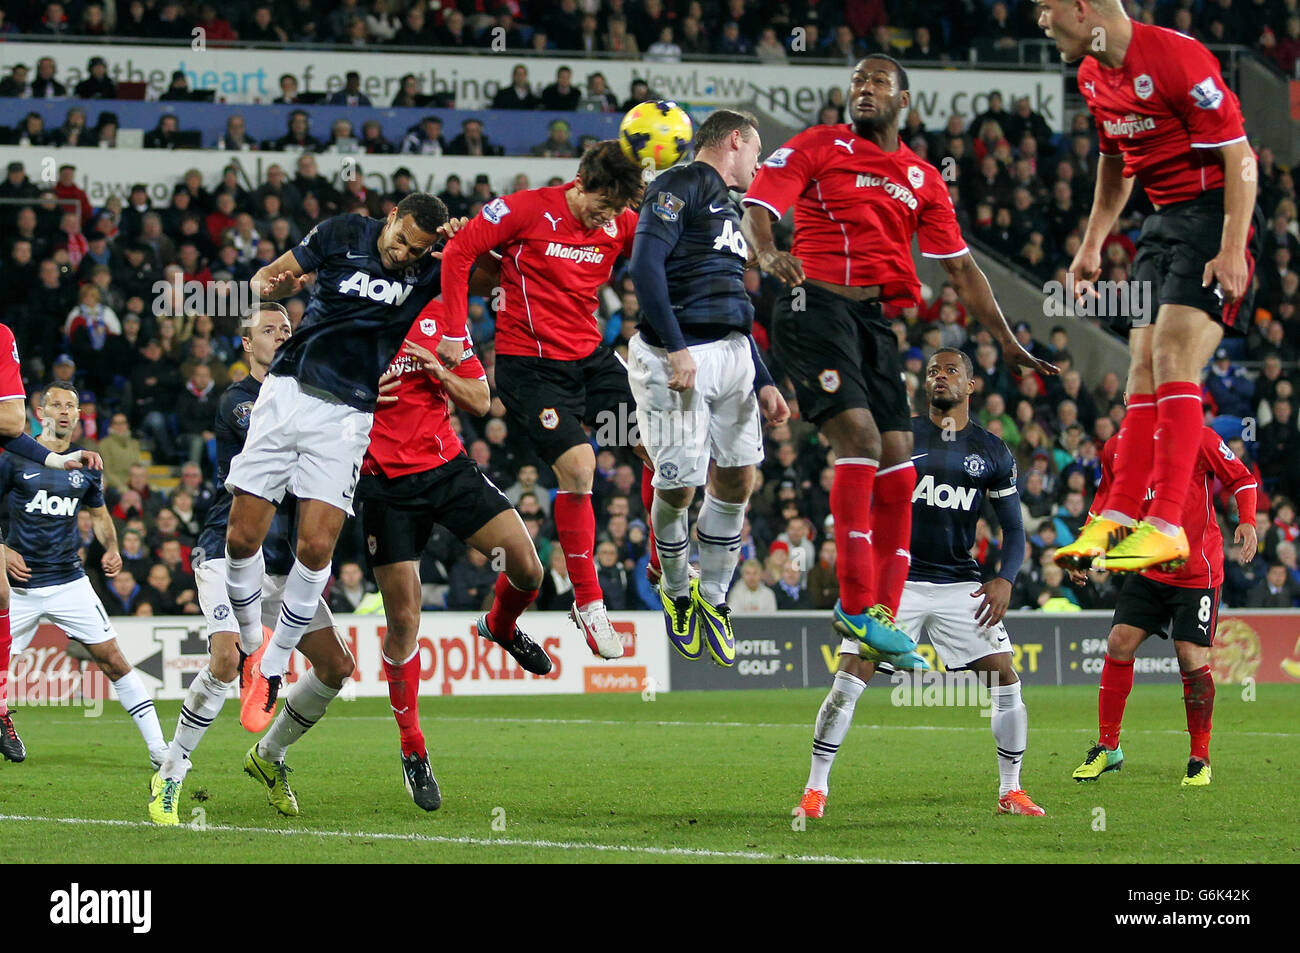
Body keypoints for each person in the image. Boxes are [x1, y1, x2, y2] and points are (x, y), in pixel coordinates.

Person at [741, 55, 1052, 664]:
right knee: (856, 438)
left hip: (873, 321)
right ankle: (854, 606)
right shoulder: (819, 145)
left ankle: (881, 614)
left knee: (899, 462)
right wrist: (768, 251)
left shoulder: (922, 178)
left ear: (903, 100)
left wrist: (1011, 343)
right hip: (813, 303)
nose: (865, 88)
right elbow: (758, 206)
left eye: (879, 81)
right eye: (858, 80)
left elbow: (961, 270)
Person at [1041, 0, 1264, 573]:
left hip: (1214, 216)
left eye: (1046, 7)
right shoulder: (1092, 75)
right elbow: (1115, 162)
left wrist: (1233, 245)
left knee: (1171, 355)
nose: (1041, 20)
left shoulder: (1175, 57)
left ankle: (1166, 523)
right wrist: (1092, 243)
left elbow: (1240, 158)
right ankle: (1115, 518)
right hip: (1160, 225)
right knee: (1140, 366)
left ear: (1082, 7)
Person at [223, 194, 454, 720]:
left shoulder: (432, 268)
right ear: (392, 216)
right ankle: (248, 641)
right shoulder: (342, 232)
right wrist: (270, 283)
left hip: (348, 415)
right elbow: (271, 275)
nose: (402, 255)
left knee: (317, 545)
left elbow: (492, 276)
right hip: (287, 391)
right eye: (400, 241)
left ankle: (274, 668)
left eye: (416, 250)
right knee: (241, 537)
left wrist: (465, 243)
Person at [797, 348, 1042, 819]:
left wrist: (1005, 579)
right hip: (897, 583)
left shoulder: (992, 449)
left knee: (1007, 682)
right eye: (933, 371)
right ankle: (815, 789)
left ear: (971, 386)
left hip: (959, 585)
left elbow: (1014, 529)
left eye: (951, 371)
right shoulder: (899, 436)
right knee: (848, 680)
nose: (940, 378)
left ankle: (1011, 790)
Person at [436, 143, 646, 661]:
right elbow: (461, 251)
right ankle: (589, 602)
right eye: (603, 206)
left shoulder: (621, 222)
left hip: (591, 356)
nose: (609, 218)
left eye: (618, 210)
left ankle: (668, 569)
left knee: (658, 450)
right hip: (529, 365)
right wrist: (456, 334)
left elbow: (664, 251)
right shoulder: (526, 209)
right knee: (580, 465)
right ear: (580, 181)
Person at [149, 303, 356, 825]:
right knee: (224, 658)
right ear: (246, 345)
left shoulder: (313, 397)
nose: (281, 335)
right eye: (268, 330)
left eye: (288, 329)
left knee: (336, 666)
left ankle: (268, 757)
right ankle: (170, 773)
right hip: (229, 548)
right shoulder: (241, 401)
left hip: (285, 561)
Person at [359, 300, 547, 810]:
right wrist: (357, 392)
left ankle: (501, 627)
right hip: (383, 488)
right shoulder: (352, 317)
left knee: (528, 568)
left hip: (447, 471)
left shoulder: (441, 314)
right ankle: (413, 749)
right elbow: (318, 394)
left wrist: (438, 369)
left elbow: (481, 400)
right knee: (403, 622)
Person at [626, 109, 789, 666]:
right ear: (735, 140)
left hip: (733, 355)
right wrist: (675, 347)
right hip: (678, 355)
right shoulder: (679, 184)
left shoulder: (734, 208)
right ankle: (675, 591)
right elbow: (644, 267)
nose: (761, 164)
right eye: (756, 152)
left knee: (739, 478)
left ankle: (714, 600)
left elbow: (732, 302)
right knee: (679, 487)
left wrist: (763, 379)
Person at [1063, 421, 1257, 787]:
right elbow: (1105, 504)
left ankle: (1199, 756)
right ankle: (1108, 747)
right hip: (1149, 569)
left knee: (1189, 655)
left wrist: (1246, 520)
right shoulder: (1117, 447)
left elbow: (1242, 479)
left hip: (1197, 573)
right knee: (1119, 642)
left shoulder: (1196, 436)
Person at [1, 383, 164, 767]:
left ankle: (160, 749)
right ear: (39, 412)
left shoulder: (87, 465)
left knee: (114, 660)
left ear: (78, 416)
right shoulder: (13, 457)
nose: (62, 410)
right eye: (55, 404)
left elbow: (100, 515)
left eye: (70, 406)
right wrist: (4, 550)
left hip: (68, 582)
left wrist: (111, 548)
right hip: (19, 587)